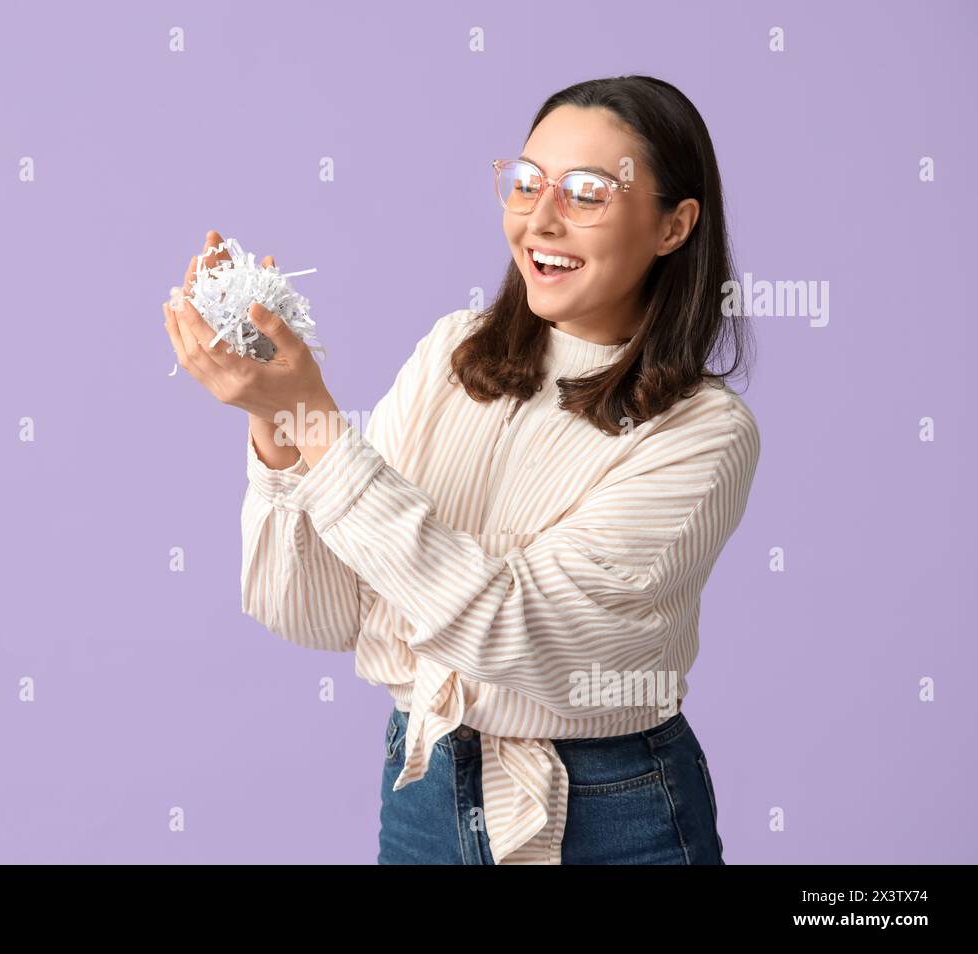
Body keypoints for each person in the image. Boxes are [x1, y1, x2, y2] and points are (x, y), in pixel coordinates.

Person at [162, 74, 760, 865]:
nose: (540, 219)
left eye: (587, 193)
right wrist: (278, 418)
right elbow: (316, 616)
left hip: (610, 810)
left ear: (674, 226)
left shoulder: (704, 432)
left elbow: (509, 627)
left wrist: (317, 417)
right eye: (525, 183)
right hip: (423, 784)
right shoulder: (453, 353)